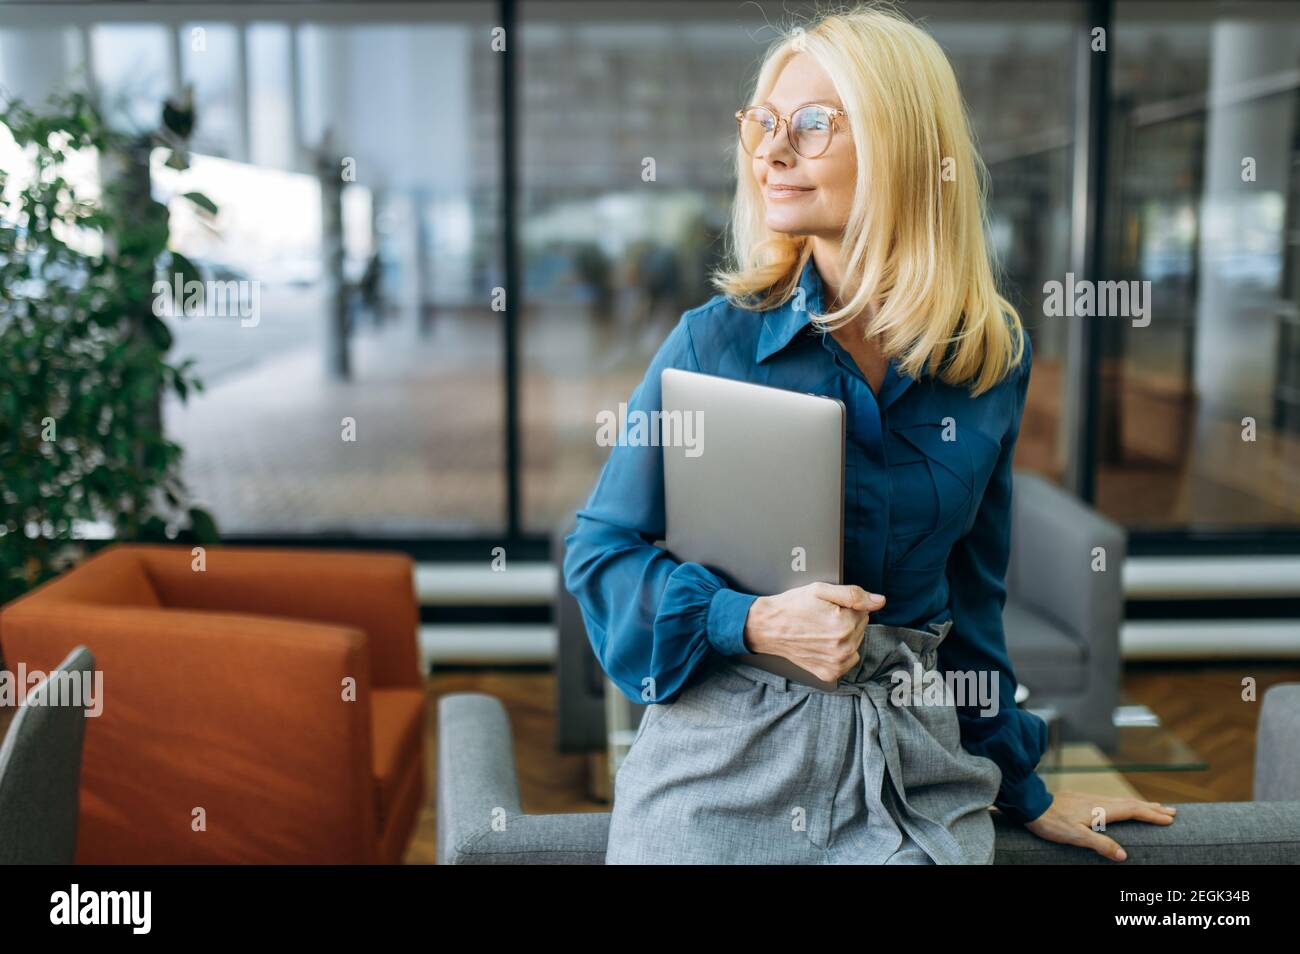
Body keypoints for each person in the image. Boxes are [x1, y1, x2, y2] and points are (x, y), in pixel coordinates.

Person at [563, 4, 1177, 864]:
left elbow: (972, 605)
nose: (773, 151)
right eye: (764, 124)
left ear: (903, 148)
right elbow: (599, 555)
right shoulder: (713, 343)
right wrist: (753, 622)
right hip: (724, 758)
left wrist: (1020, 781)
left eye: (813, 124)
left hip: (914, 764)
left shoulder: (991, 357)